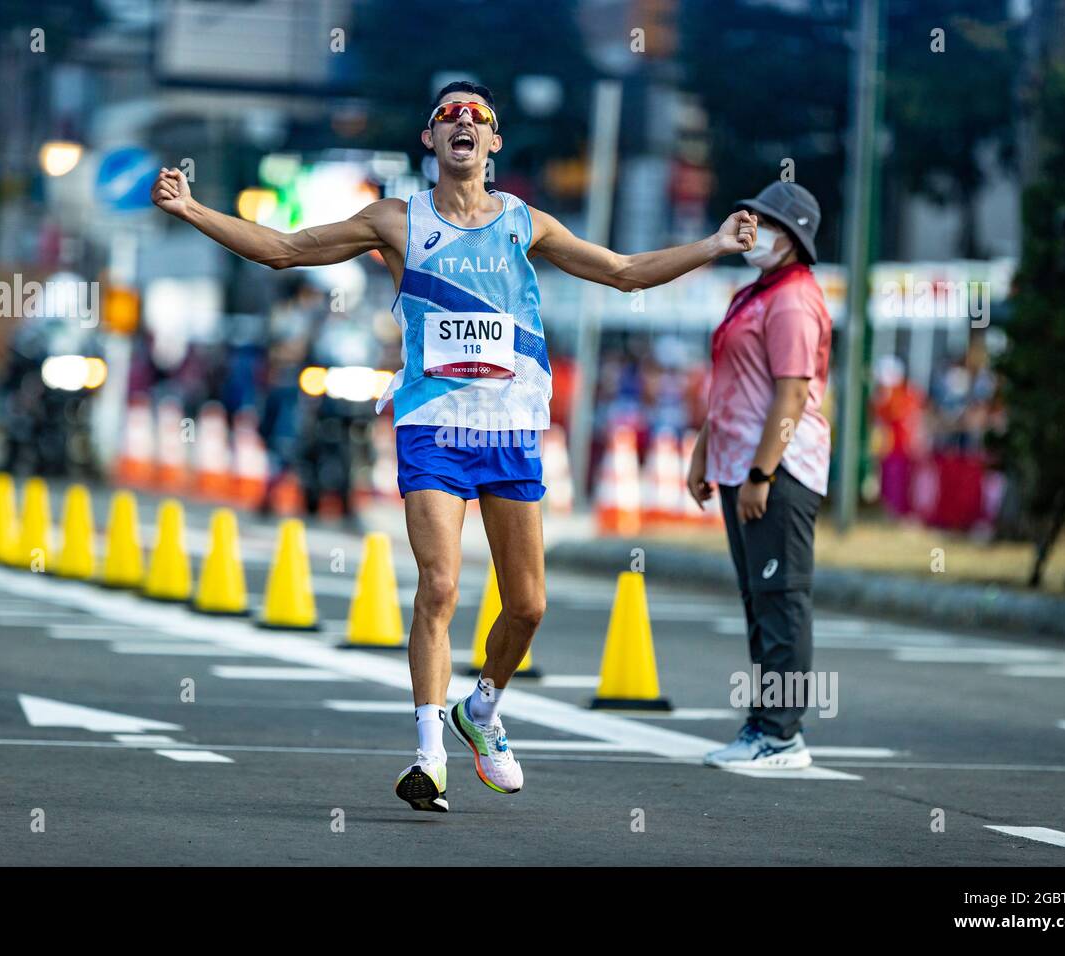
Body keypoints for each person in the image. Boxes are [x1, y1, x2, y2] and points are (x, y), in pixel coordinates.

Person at [154, 81, 757, 811]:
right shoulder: (396, 221)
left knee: (528, 604)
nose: (463, 122)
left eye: (478, 117)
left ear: (494, 144)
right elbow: (285, 250)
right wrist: (191, 210)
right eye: (448, 116)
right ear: (430, 142)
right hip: (432, 427)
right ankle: (429, 754)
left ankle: (482, 712)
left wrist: (718, 245)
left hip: (509, 431)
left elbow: (625, 274)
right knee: (439, 586)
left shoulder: (524, 223)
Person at [686, 181, 832, 770]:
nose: (757, 231)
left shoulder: (794, 299)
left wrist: (762, 472)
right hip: (738, 463)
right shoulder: (755, 293)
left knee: (782, 600)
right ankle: (763, 725)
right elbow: (732, 386)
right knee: (759, 599)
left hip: (777, 469)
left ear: (795, 238)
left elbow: (792, 394)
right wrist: (704, 454)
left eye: (770, 223)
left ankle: (781, 735)